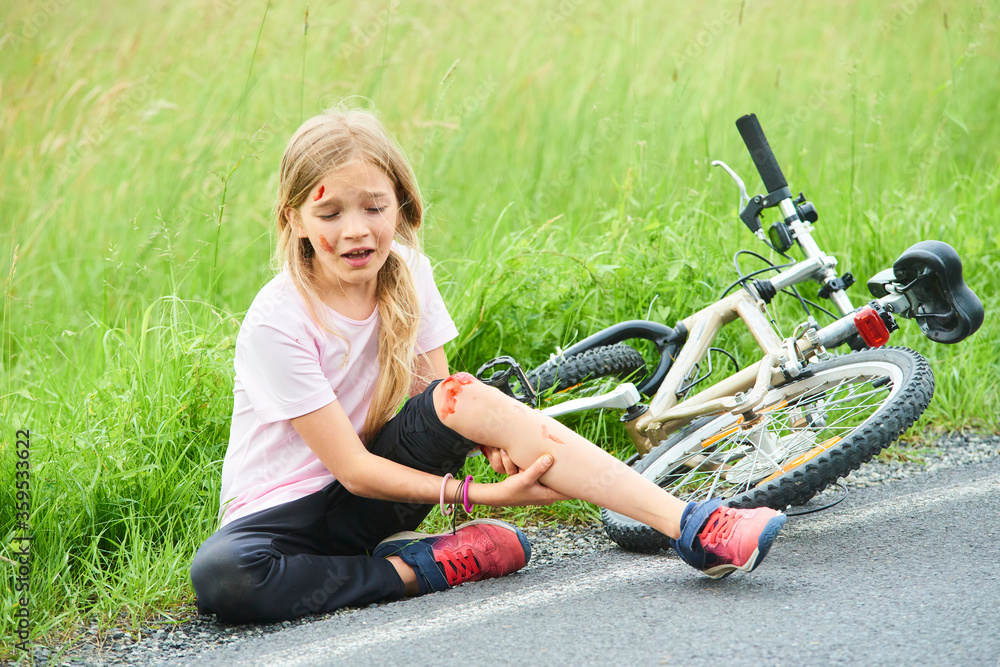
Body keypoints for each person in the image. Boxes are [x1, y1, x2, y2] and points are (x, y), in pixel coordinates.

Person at [189, 106, 787, 624]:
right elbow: (353, 472)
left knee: (464, 396)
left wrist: (487, 436)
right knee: (222, 578)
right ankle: (419, 567)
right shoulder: (277, 320)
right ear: (292, 219)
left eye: (374, 207)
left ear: (402, 206)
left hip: (378, 495)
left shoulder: (407, 272)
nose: (356, 231)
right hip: (287, 521)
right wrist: (486, 495)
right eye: (330, 215)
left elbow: (437, 401)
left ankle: (694, 525)